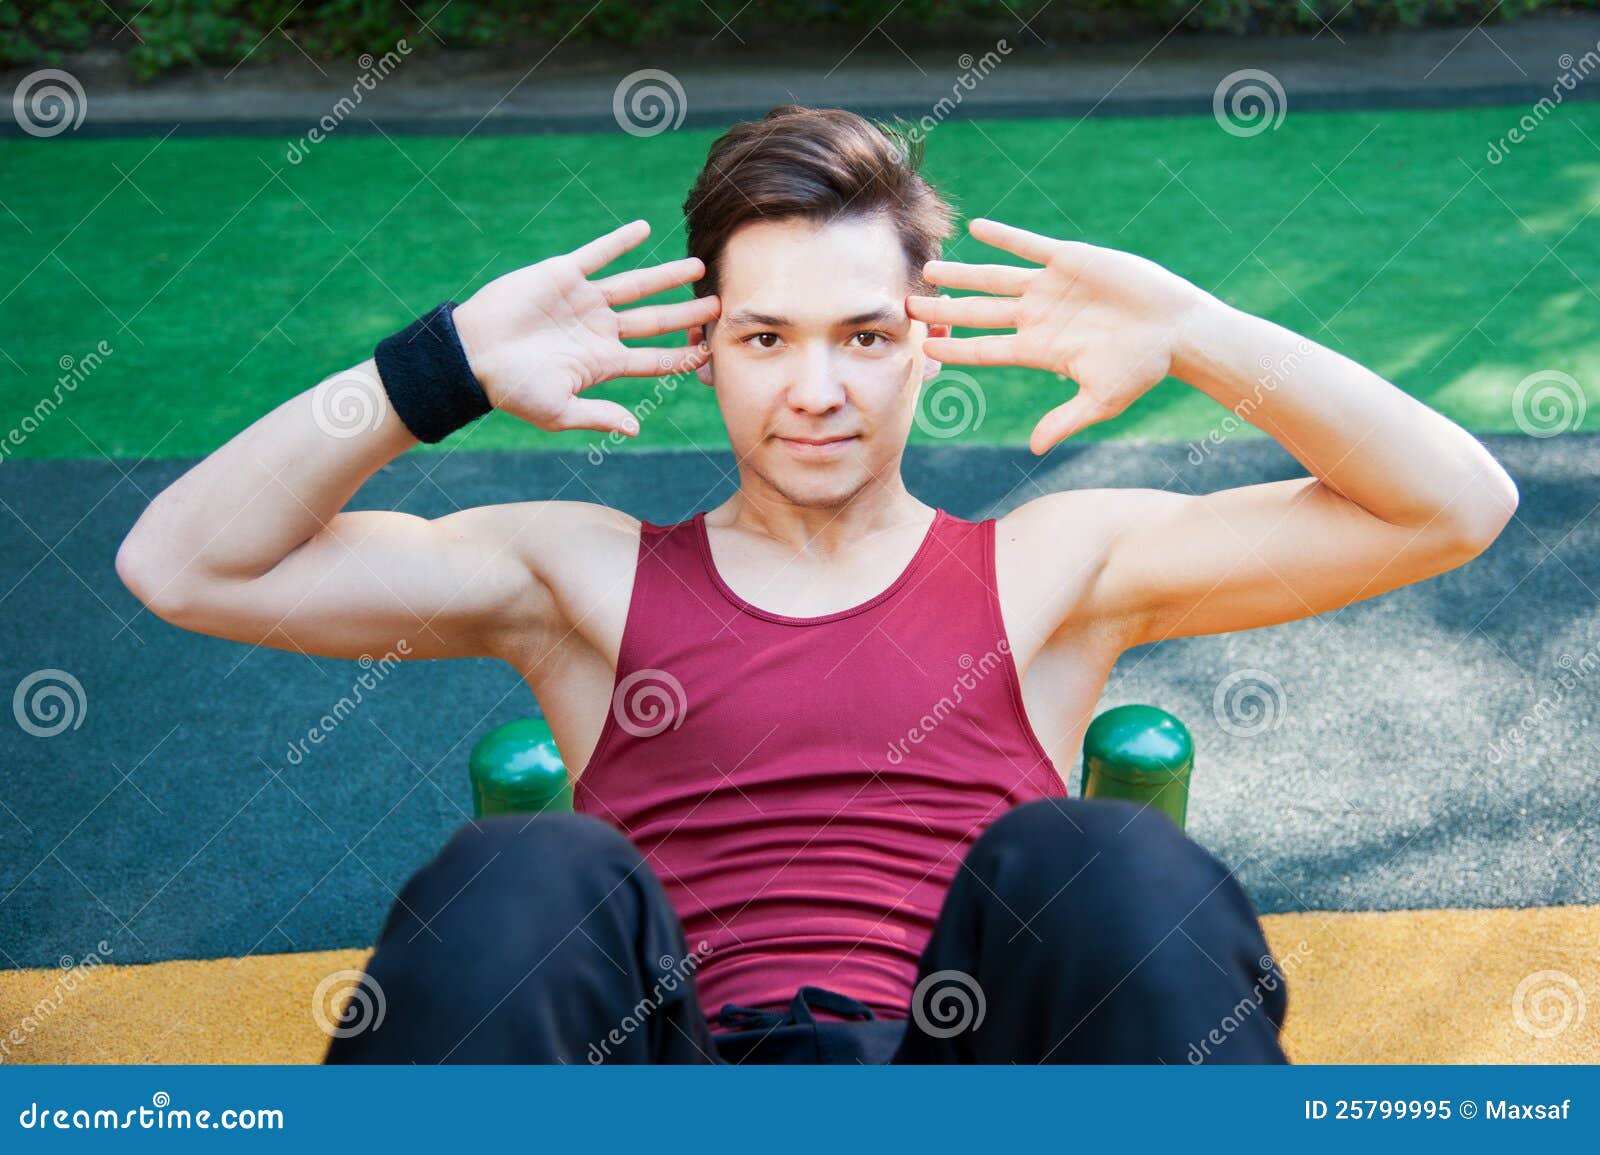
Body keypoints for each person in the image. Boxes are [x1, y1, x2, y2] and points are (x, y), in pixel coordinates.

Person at [115, 105, 1517, 1065]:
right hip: (680, 1081)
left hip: (963, 1080)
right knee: (528, 868)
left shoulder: (1054, 566)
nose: (818, 389)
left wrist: (1199, 333)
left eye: (862, 335)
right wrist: (442, 367)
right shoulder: (577, 573)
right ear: (706, 352)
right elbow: (181, 564)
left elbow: (1456, 502)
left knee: (1097, 857)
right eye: (767, 337)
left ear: (928, 345)